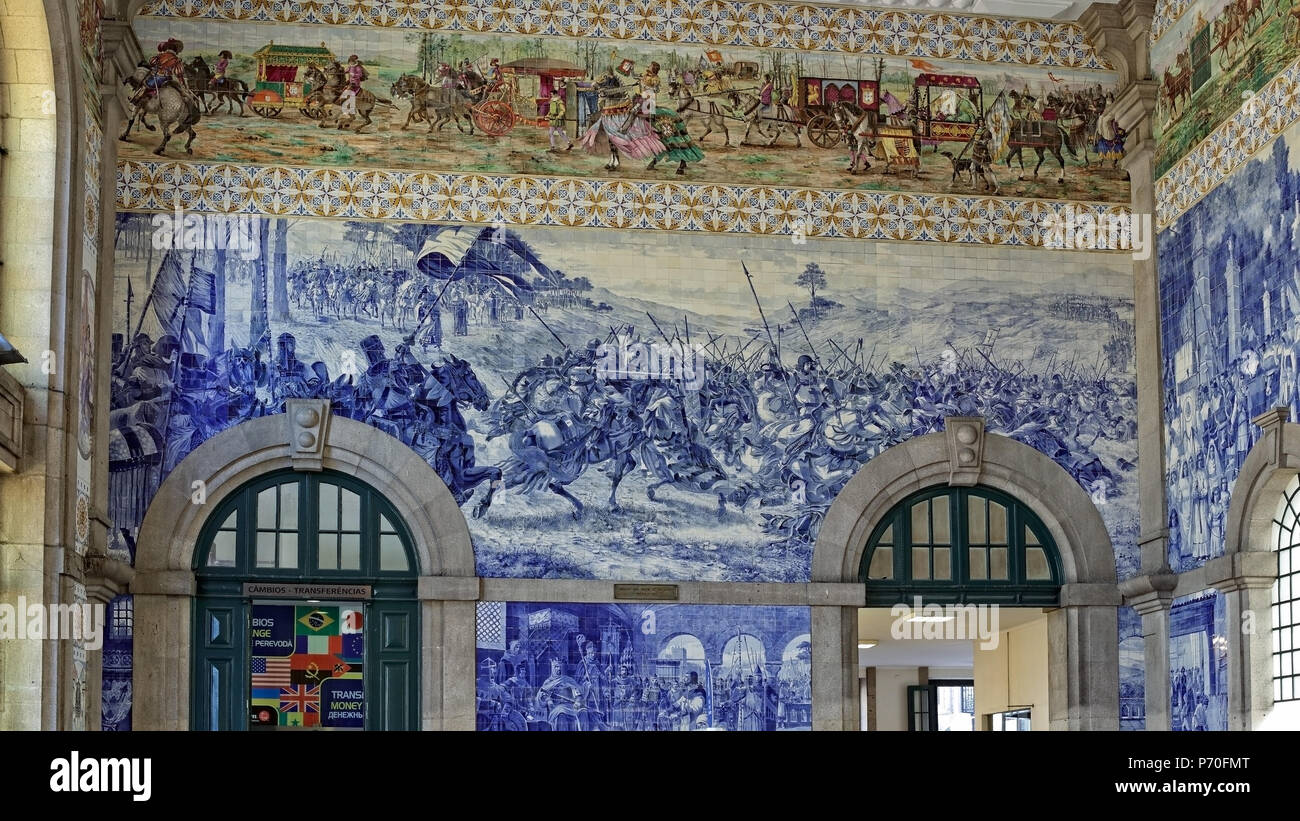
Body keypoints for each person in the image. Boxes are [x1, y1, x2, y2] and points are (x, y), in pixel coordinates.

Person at [547, 81, 572, 152]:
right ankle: (553, 146)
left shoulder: (559, 102)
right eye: (551, 95)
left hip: (558, 119)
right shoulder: (552, 101)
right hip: (552, 119)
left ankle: (569, 143)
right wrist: (548, 114)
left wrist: (559, 116)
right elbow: (551, 110)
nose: (551, 96)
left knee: (560, 133)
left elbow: (563, 110)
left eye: (552, 95)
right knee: (551, 133)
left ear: (555, 94)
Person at [339, 54, 366, 119]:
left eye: (352, 61)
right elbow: (345, 71)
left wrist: (354, 75)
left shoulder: (358, 67)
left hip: (355, 83)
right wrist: (340, 71)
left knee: (349, 94)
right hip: (350, 82)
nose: (351, 62)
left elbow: (360, 75)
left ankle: (352, 109)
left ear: (354, 61)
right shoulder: (350, 67)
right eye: (350, 61)